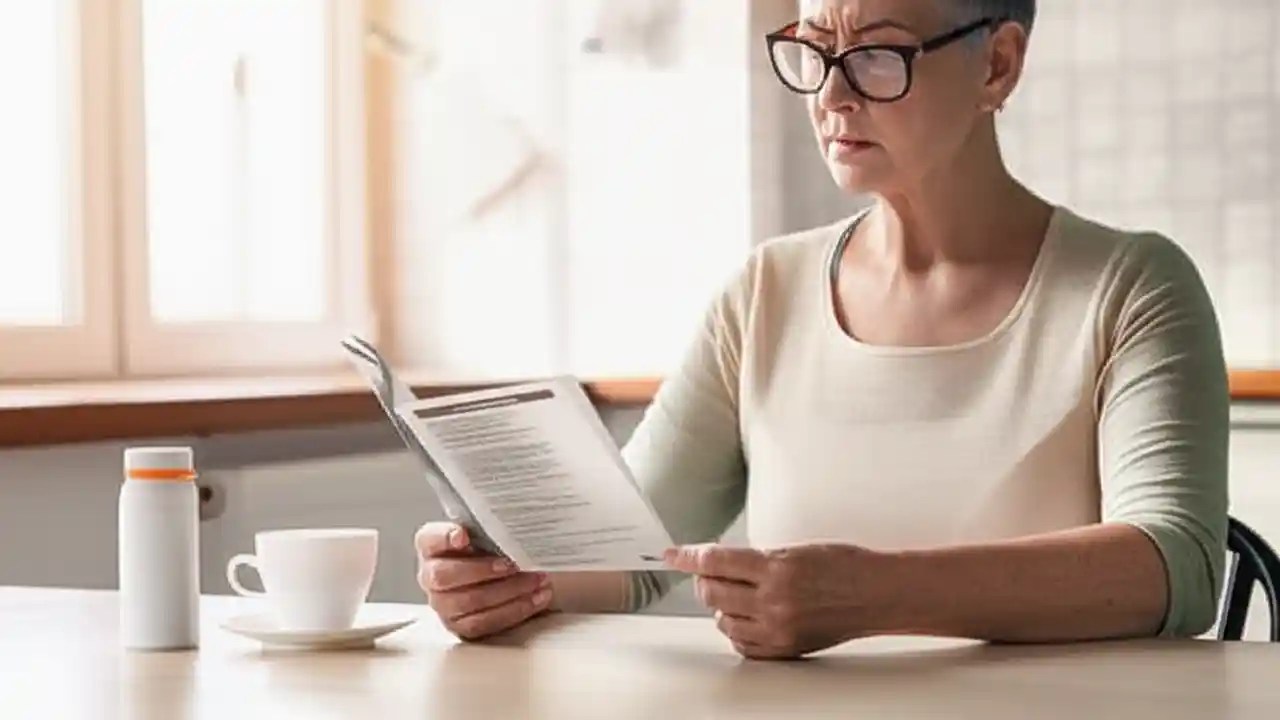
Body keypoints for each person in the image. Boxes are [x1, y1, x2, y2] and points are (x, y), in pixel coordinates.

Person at [414, 0, 1229, 660]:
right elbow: (631, 554)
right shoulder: (763, 293)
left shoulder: (1132, 288)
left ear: (997, 64)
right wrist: (510, 575)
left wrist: (873, 596)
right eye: (812, 51)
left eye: (877, 55)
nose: (830, 96)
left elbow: (1176, 568)